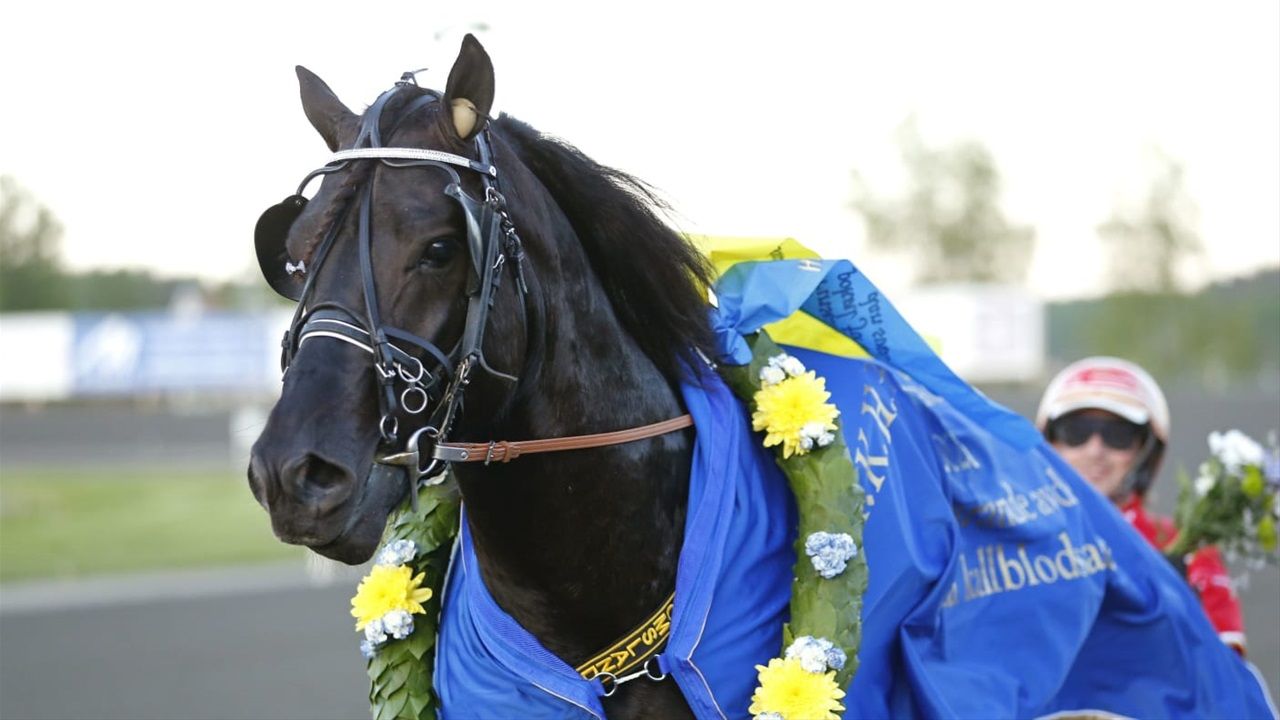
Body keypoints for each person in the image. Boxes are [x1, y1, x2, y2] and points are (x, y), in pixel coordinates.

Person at [1036, 356, 1247, 655]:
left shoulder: (1189, 553)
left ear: (1145, 451)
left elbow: (1229, 681)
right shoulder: (1016, 546)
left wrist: (1178, 607)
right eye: (1076, 432)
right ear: (1050, 444)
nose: (1095, 450)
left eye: (1117, 436)